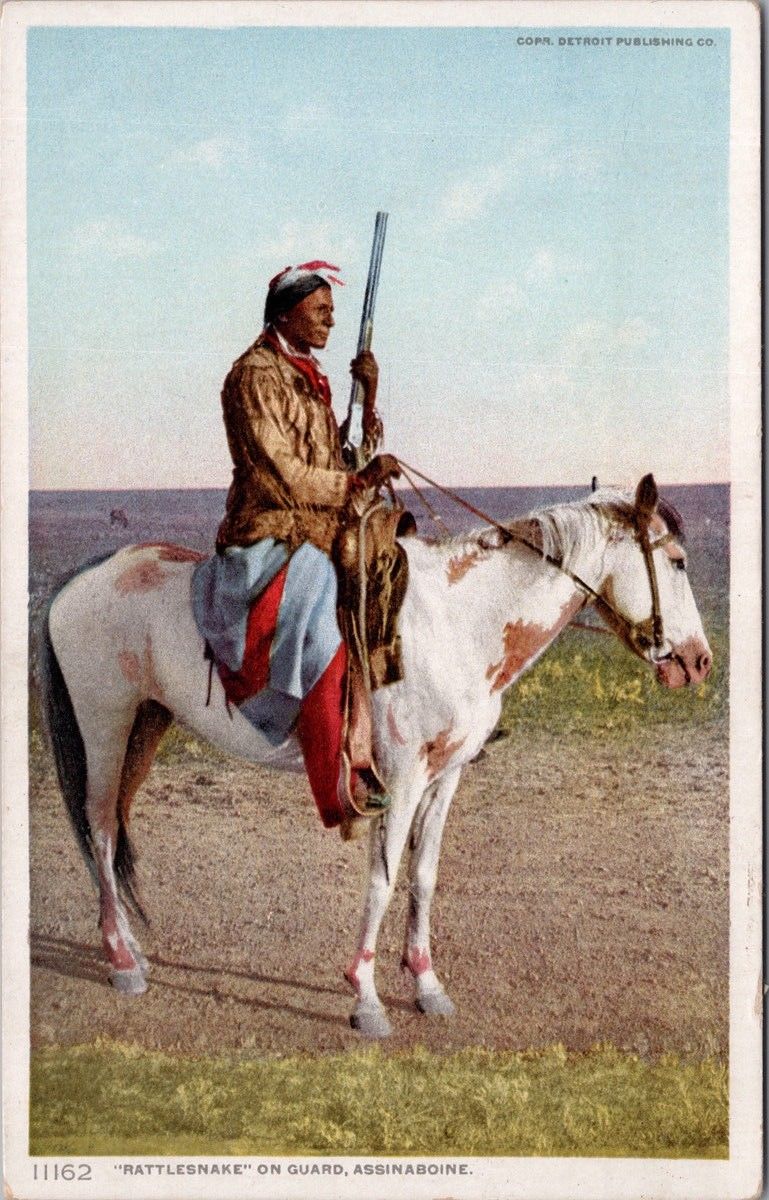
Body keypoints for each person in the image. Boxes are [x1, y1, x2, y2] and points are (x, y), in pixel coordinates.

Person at [193, 261, 400, 834]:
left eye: (333, 309)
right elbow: (281, 475)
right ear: (286, 312)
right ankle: (340, 777)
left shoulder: (307, 375)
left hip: (316, 518)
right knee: (327, 602)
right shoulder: (255, 376)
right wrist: (353, 484)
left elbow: (339, 459)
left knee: (387, 569)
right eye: (321, 308)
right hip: (269, 531)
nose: (331, 317)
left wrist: (369, 396)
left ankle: (395, 725)